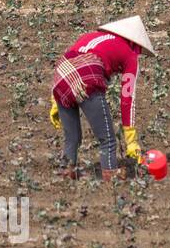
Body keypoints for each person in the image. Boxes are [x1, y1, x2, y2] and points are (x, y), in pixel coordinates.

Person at [49, 16, 155, 181]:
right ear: (134, 43)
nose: (138, 54)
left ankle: (66, 171)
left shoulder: (89, 36)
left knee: (72, 137)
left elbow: (68, 60)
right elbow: (128, 97)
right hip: (86, 76)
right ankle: (110, 173)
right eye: (139, 50)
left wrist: (55, 100)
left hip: (59, 77)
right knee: (107, 138)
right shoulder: (129, 54)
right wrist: (130, 137)